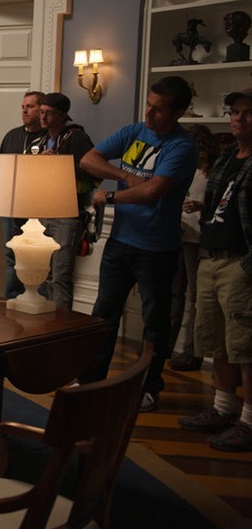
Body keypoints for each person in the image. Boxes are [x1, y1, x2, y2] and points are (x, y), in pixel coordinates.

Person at [78, 76, 198, 412]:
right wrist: (126, 175)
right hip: (120, 242)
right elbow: (89, 159)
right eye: (148, 104)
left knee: (154, 322)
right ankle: (91, 383)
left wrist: (111, 195)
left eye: (158, 109)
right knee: (103, 314)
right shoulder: (134, 132)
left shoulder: (181, 147)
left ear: (178, 112)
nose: (149, 114)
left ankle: (149, 387)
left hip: (156, 248)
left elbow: (153, 192)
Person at [178, 89, 252, 452]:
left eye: (247, 113)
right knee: (217, 340)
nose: (239, 118)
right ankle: (223, 408)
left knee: (245, 345)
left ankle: (249, 421)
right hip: (211, 255)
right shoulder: (226, 159)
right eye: (235, 111)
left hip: (240, 262)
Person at [36, 92, 97, 309]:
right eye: (41, 112)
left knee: (60, 275)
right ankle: (45, 320)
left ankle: (60, 327)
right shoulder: (43, 138)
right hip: (45, 209)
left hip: (66, 213)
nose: (43, 118)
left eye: (49, 113)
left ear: (63, 115)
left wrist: (59, 163)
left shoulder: (76, 137)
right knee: (44, 273)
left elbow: (93, 171)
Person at [168, 124, 219, 371]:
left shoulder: (213, 173)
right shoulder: (183, 169)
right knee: (175, 292)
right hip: (177, 233)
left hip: (199, 238)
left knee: (196, 296)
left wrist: (200, 205)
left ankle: (193, 350)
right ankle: (167, 345)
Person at [0, 91, 47, 298]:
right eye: (23, 107)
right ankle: (12, 301)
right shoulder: (13, 136)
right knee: (12, 256)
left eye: (31, 106)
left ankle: (38, 300)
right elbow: (1, 169)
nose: (25, 111)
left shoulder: (50, 137)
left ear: (42, 110)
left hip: (39, 208)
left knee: (39, 258)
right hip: (11, 205)